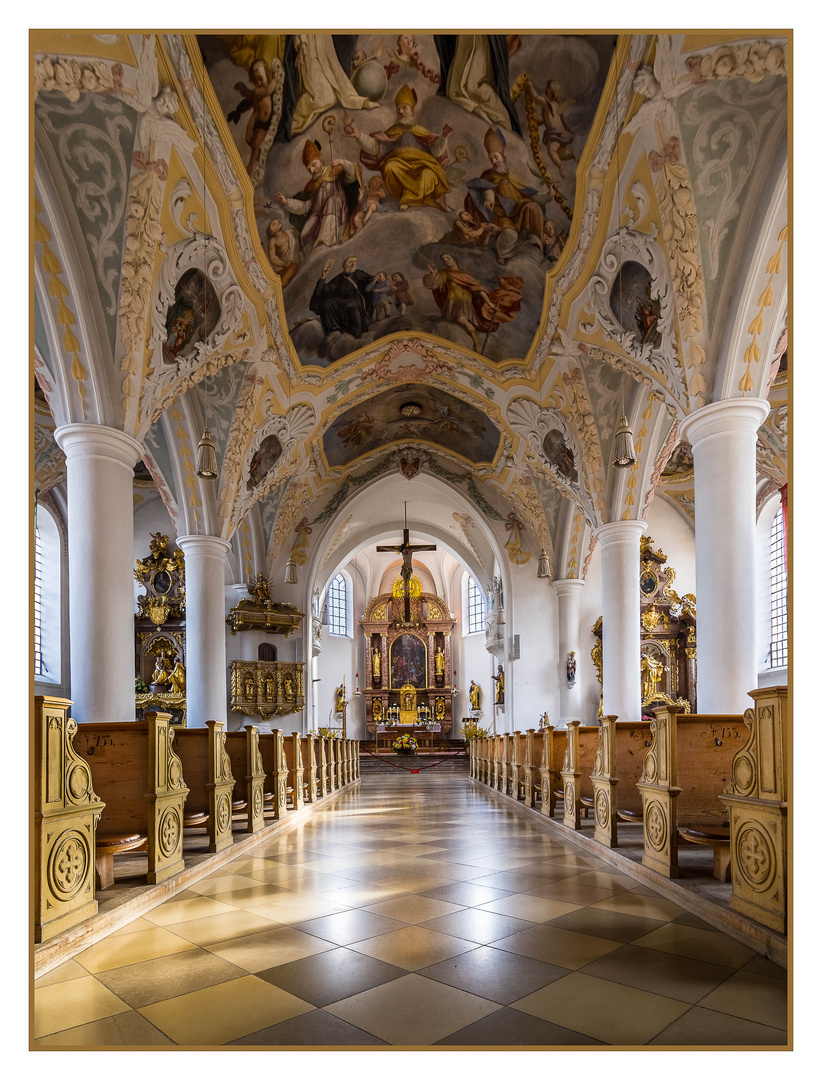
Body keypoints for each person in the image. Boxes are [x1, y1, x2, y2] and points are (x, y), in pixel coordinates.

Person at [344, 84, 452, 211]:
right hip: (399, 167)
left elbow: (436, 151)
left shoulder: (421, 131)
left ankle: (408, 198)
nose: (400, 112)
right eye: (398, 109)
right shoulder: (393, 131)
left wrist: (444, 136)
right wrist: (359, 135)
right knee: (389, 167)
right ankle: (407, 196)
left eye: (404, 108)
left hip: (421, 166)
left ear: (412, 111)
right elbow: (375, 147)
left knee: (428, 175)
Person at [465, 126, 546, 263]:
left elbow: (532, 195)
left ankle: (535, 243)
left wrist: (551, 194)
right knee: (509, 235)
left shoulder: (513, 177)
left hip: (517, 211)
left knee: (534, 207)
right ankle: (504, 254)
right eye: (492, 160)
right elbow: (488, 188)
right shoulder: (489, 175)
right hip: (501, 214)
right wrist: (489, 199)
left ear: (503, 157)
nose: (494, 162)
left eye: (496, 157)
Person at [423, 253, 523, 353]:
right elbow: (431, 285)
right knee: (461, 319)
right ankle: (476, 341)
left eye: (448, 258)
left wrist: (489, 304)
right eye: (443, 259)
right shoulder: (444, 274)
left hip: (466, 305)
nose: (445, 260)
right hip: (452, 305)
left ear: (455, 260)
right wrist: (433, 273)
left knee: (462, 319)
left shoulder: (466, 276)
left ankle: (476, 342)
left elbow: (479, 290)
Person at [274, 139, 362, 254]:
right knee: (304, 233)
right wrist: (286, 202)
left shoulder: (335, 172)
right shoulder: (313, 186)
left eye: (314, 165)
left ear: (321, 161)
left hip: (337, 213)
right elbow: (305, 206)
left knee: (332, 201)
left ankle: (323, 243)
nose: (312, 170)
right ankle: (314, 257)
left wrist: (342, 162)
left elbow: (353, 176)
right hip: (318, 217)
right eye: (309, 169)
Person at [310, 256, 374, 338]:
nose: (353, 264)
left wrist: (380, 279)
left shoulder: (358, 273)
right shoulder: (339, 278)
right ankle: (333, 330)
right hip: (341, 300)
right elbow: (324, 291)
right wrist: (323, 278)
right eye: (350, 262)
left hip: (355, 299)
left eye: (355, 262)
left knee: (352, 307)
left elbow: (371, 279)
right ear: (344, 265)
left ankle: (356, 333)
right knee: (327, 303)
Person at [265, 218, 299, 287]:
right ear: (272, 232)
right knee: (281, 284)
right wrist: (283, 264)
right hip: (282, 268)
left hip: (294, 262)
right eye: (274, 224)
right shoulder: (273, 240)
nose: (278, 221)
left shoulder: (289, 232)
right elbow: (273, 257)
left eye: (277, 221)